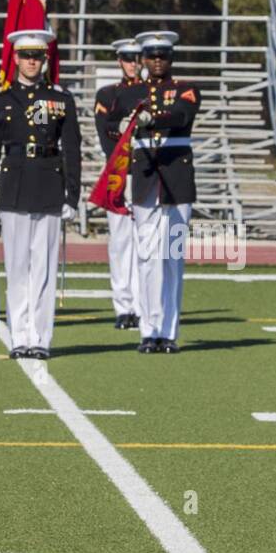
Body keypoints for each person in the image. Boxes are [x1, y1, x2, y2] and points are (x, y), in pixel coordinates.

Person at [0, 28, 80, 360]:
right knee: (18, 268)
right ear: (15, 59)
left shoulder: (61, 100)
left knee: (44, 269)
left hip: (50, 183)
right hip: (14, 187)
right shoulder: (0, 102)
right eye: (25, 56)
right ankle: (19, 336)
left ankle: (41, 338)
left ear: (45, 60)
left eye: (37, 56)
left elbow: (73, 150)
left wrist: (72, 195)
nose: (31, 62)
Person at [107, 30, 200, 353]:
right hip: (146, 178)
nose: (158, 61)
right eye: (152, 56)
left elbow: (182, 115)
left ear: (170, 59)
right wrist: (120, 126)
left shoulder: (184, 90)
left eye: (164, 56)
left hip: (176, 180)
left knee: (172, 257)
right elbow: (112, 119)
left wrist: (150, 118)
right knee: (146, 256)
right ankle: (149, 329)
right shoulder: (132, 94)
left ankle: (168, 331)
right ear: (143, 59)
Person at [94, 38, 143, 329]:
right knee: (121, 241)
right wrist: (118, 131)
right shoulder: (108, 94)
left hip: (146, 172)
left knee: (146, 242)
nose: (132, 63)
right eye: (127, 58)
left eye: (137, 58)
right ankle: (124, 305)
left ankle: (142, 303)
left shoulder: (152, 93)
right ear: (119, 61)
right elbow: (103, 133)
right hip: (119, 172)